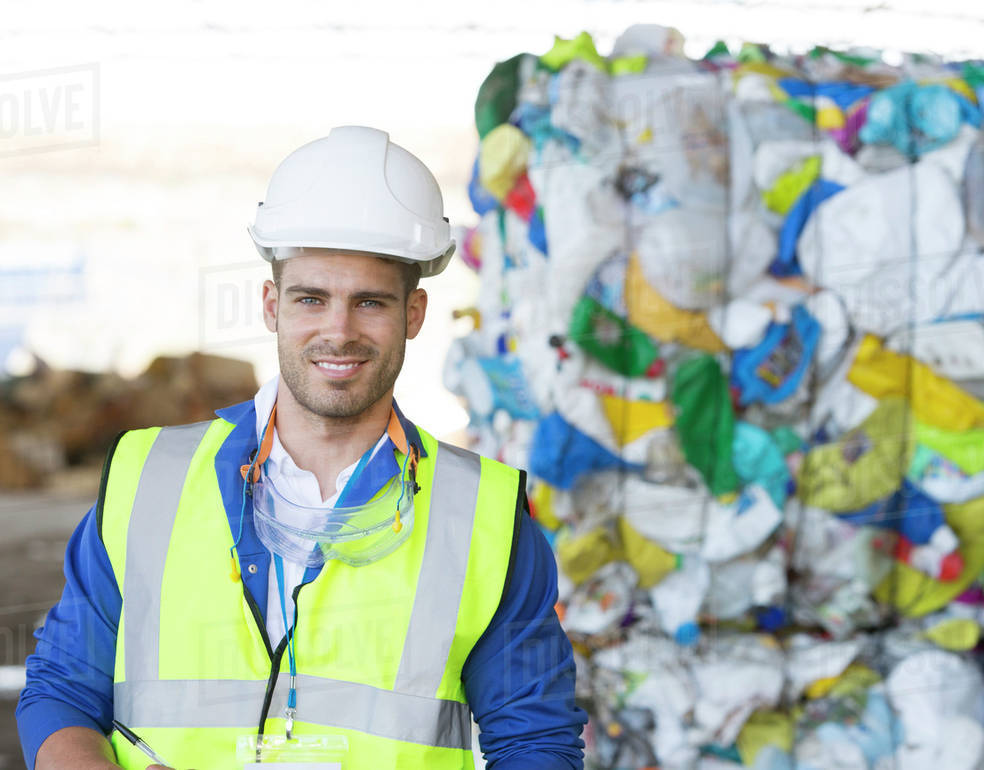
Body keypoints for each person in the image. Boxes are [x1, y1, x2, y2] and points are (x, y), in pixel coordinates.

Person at [16, 126, 587, 769]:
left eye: (369, 302)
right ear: (271, 305)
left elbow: (536, 743)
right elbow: (61, 694)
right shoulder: (148, 479)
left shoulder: (484, 516)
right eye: (311, 298)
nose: (338, 331)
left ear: (414, 314)